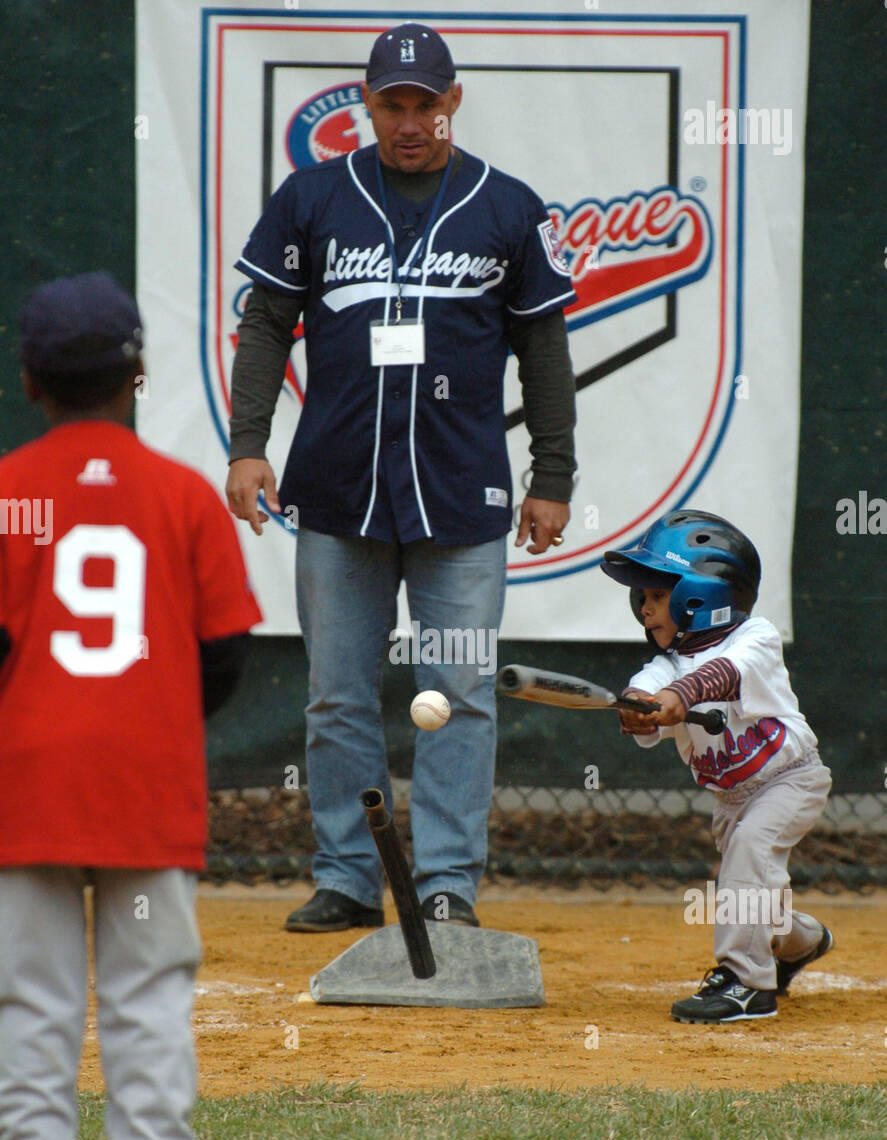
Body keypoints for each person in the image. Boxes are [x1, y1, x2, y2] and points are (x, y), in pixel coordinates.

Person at [226, 22, 578, 933]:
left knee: (459, 693)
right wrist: (247, 443)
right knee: (338, 694)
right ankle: (347, 873)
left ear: (452, 100)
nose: (409, 119)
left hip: (461, 496)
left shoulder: (506, 206)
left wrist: (553, 475)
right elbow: (265, 324)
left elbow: (543, 348)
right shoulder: (312, 197)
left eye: (426, 101)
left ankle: (447, 882)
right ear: (366, 101)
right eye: (393, 102)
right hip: (339, 491)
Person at [0, 271, 262, 1140]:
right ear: (139, 371)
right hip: (146, 788)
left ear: (31, 380)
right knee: (146, 995)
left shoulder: (10, 495)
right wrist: (150, 719)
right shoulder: (182, 495)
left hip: (25, 786)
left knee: (30, 993)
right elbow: (225, 653)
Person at [601, 509, 833, 1024]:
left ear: (703, 594)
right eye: (642, 597)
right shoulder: (663, 665)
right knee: (753, 894)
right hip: (731, 799)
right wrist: (638, 712)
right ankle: (800, 943)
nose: (644, 608)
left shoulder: (757, 636)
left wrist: (679, 695)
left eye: (658, 595)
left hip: (791, 777)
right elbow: (649, 690)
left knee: (749, 858)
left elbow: (726, 674)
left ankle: (746, 984)